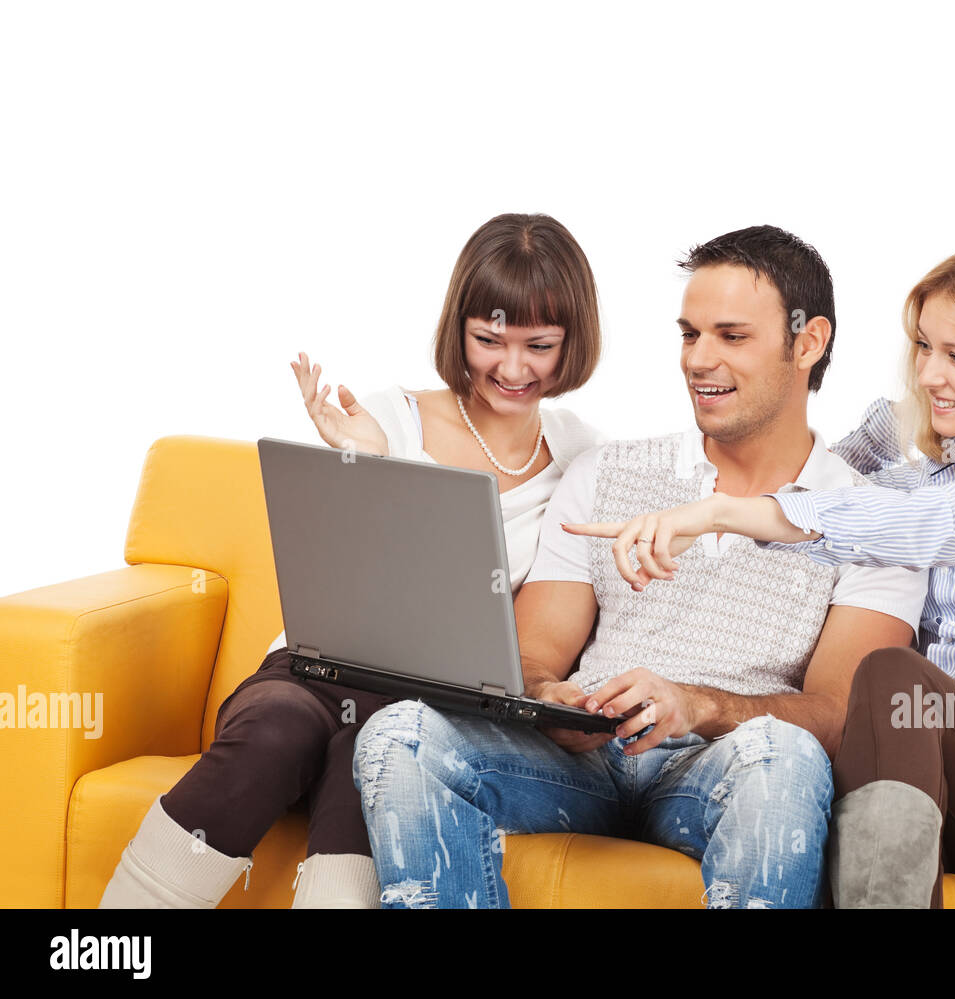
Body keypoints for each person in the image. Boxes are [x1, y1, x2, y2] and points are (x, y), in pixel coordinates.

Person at [352, 225, 929, 909]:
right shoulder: (605, 472)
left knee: (786, 758)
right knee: (399, 734)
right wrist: (548, 699)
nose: (699, 359)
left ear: (808, 342)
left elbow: (835, 716)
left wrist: (699, 705)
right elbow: (535, 652)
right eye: (690, 335)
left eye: (731, 337)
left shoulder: (868, 521)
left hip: (719, 766)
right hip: (581, 761)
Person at [567, 238, 955, 909]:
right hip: (924, 782)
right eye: (924, 347)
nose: (929, 374)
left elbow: (939, 526)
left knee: (889, 675)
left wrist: (722, 511)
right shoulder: (932, 471)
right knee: (818, 752)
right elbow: (822, 479)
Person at [98, 213, 605, 909]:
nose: (511, 369)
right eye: (488, 340)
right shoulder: (389, 417)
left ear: (572, 342)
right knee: (279, 725)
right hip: (317, 671)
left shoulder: (585, 458)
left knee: (374, 755)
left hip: (434, 712)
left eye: (539, 346)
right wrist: (363, 465)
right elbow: (338, 572)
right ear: (459, 329)